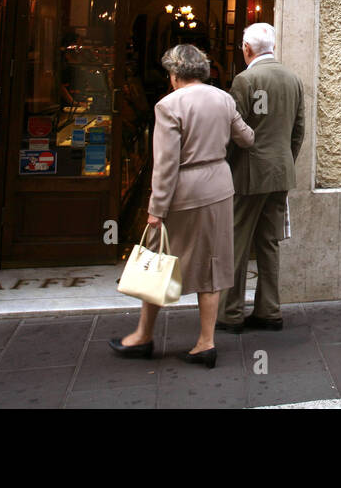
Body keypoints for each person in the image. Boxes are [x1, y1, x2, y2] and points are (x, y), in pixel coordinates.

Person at [109, 43, 253, 368]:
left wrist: (155, 208)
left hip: (184, 192)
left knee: (159, 259)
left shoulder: (168, 105)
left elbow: (166, 164)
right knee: (212, 262)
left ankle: (143, 335)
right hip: (219, 186)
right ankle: (205, 342)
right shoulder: (224, 98)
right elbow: (247, 138)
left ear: (174, 74)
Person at [217, 22, 306, 333]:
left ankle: (230, 313)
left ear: (246, 49)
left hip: (248, 174)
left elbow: (233, 130)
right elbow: (298, 131)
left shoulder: (245, 80)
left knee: (236, 244)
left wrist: (225, 167)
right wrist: (284, 163)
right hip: (280, 173)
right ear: (274, 48)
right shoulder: (293, 79)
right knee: (268, 242)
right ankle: (269, 310)